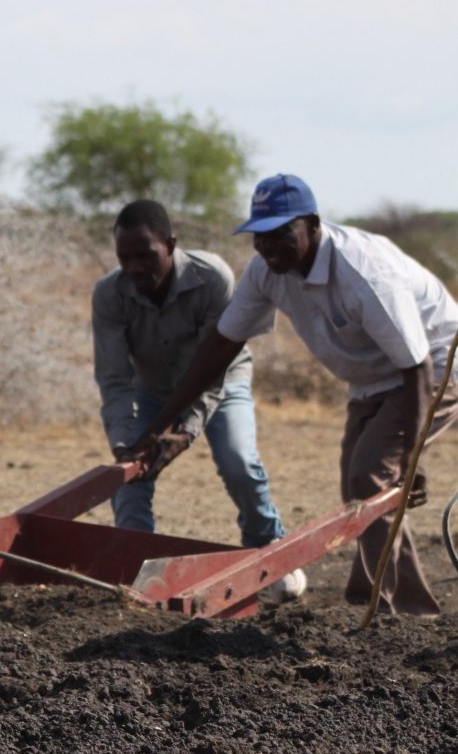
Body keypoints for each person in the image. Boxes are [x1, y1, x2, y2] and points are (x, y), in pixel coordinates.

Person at [133, 174, 458, 616]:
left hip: (431, 367)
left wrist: (413, 456)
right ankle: (397, 603)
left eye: (281, 234)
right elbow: (221, 346)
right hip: (374, 377)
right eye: (259, 238)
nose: (268, 248)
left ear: (312, 224)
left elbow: (415, 363)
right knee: (357, 484)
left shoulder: (363, 273)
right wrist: (163, 421)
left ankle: (387, 608)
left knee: (372, 478)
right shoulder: (269, 272)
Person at [94, 200, 297, 600]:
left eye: (146, 255)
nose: (134, 267)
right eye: (125, 258)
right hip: (151, 391)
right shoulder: (109, 294)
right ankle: (137, 571)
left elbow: (213, 369)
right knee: (130, 474)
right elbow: (114, 379)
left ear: (171, 245)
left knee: (238, 460)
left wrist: (183, 432)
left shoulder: (211, 277)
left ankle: (270, 553)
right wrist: (123, 441)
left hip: (222, 382)